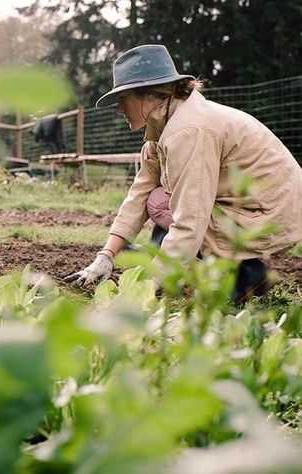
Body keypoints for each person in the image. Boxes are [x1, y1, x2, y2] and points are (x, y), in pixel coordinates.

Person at [65, 44, 302, 304]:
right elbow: (138, 194)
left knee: (161, 203)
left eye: (123, 99)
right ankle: (181, 265)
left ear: (150, 95)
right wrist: (106, 256)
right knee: (155, 198)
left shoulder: (188, 131)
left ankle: (245, 275)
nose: (119, 108)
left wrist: (147, 290)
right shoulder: (163, 130)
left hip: (267, 216)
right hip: (246, 209)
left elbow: (190, 218)